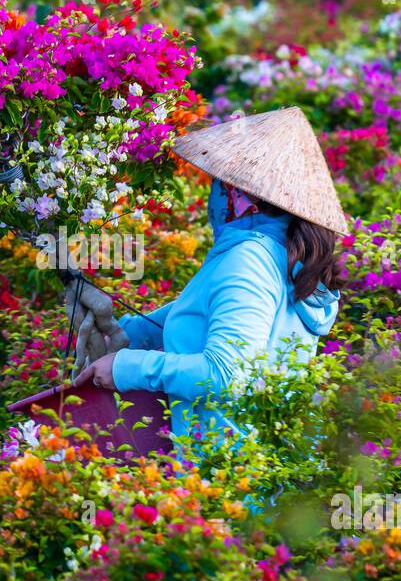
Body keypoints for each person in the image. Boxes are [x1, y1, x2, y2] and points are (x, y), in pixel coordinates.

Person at [73, 107, 349, 443]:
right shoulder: (277, 256)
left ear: (240, 196)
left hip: (229, 478)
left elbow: (225, 374)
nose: (211, 196)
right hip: (254, 471)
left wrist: (127, 368)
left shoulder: (248, 260)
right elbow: (186, 321)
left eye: (218, 184)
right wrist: (108, 323)